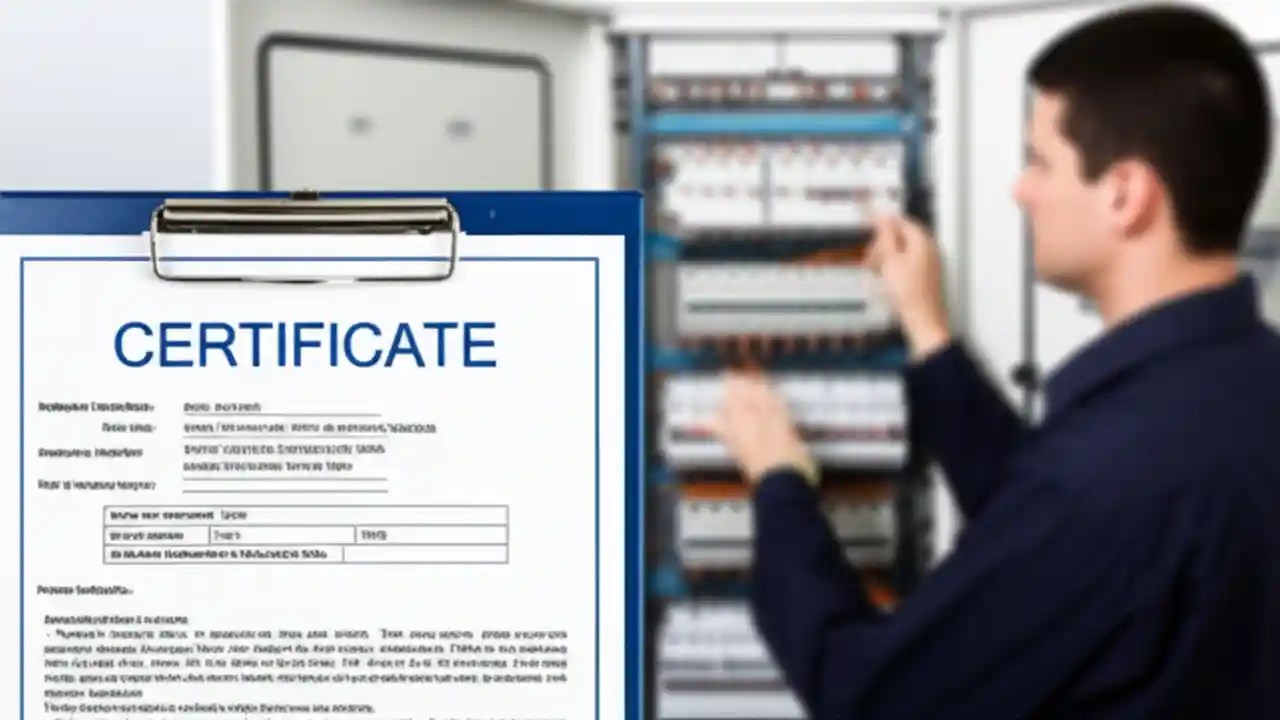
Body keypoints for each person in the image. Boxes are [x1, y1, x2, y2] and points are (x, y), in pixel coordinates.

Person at [709, 4, 1280, 718]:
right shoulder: (1242, 388)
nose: (1021, 188)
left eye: (1040, 161)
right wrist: (928, 330)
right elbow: (1049, 544)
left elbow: (864, 696)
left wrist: (778, 479)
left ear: (1125, 195)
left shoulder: (1107, 476)